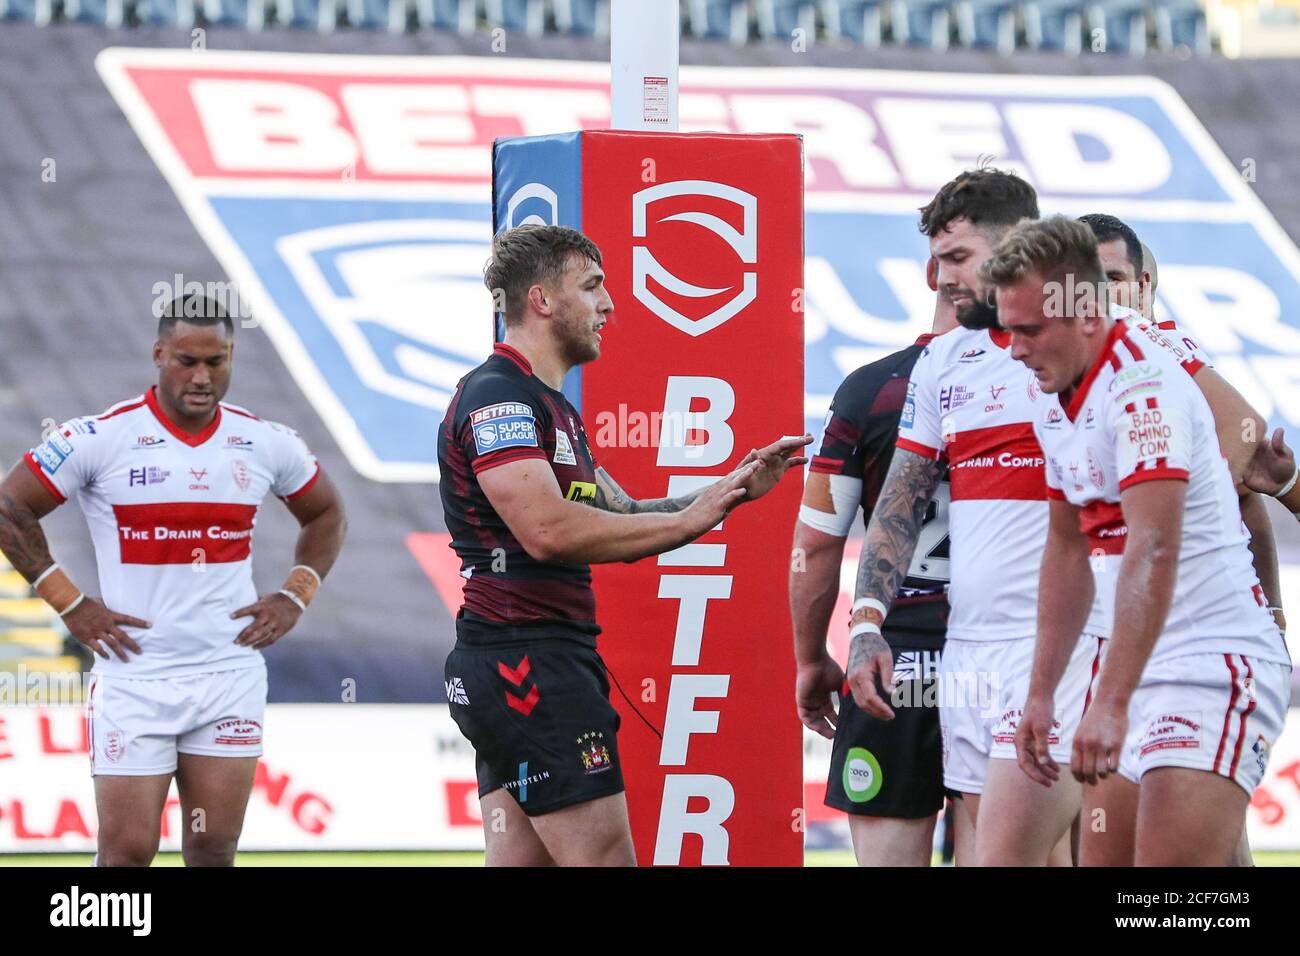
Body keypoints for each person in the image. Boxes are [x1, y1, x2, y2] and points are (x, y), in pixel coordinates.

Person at [438, 224, 810, 867]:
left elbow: (624, 511)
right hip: (528, 663)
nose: (609, 304)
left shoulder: (549, 405)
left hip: (520, 660)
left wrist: (732, 489)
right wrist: (696, 522)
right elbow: (549, 532)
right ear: (542, 300)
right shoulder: (499, 396)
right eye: (592, 286)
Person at [0, 293, 347, 866]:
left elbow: (326, 512)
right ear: (159, 354)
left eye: (218, 362)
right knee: (127, 853)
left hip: (226, 673)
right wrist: (69, 604)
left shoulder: (264, 441)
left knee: (212, 848)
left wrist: (295, 595)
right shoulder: (101, 437)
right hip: (136, 676)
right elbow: (11, 507)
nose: (203, 376)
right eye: (187, 360)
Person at [995, 215, 1292, 865]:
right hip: (1132, 656)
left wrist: (1111, 700)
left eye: (1026, 330)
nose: (1013, 349)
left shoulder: (1144, 382)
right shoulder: (1053, 386)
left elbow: (1153, 547)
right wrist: (1044, 694)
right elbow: (1067, 549)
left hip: (1210, 660)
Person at [843, 167, 1098, 866]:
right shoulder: (944, 364)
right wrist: (865, 623)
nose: (939, 279)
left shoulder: (1100, 344)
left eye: (956, 258)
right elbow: (899, 503)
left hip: (1064, 649)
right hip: (969, 655)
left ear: (1016, 243)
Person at [1077, 213, 1280, 866]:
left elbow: (1247, 462)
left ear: (1142, 287)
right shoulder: (1064, 377)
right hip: (1121, 659)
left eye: (1111, 280)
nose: (1099, 298)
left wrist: (1271, 615)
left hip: (1197, 658)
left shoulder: (1154, 349)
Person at [791, 258, 966, 866]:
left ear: (930, 272)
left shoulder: (870, 390)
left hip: (891, 665)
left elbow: (814, 545)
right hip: (1003, 660)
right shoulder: (1035, 384)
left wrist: (812, 658)